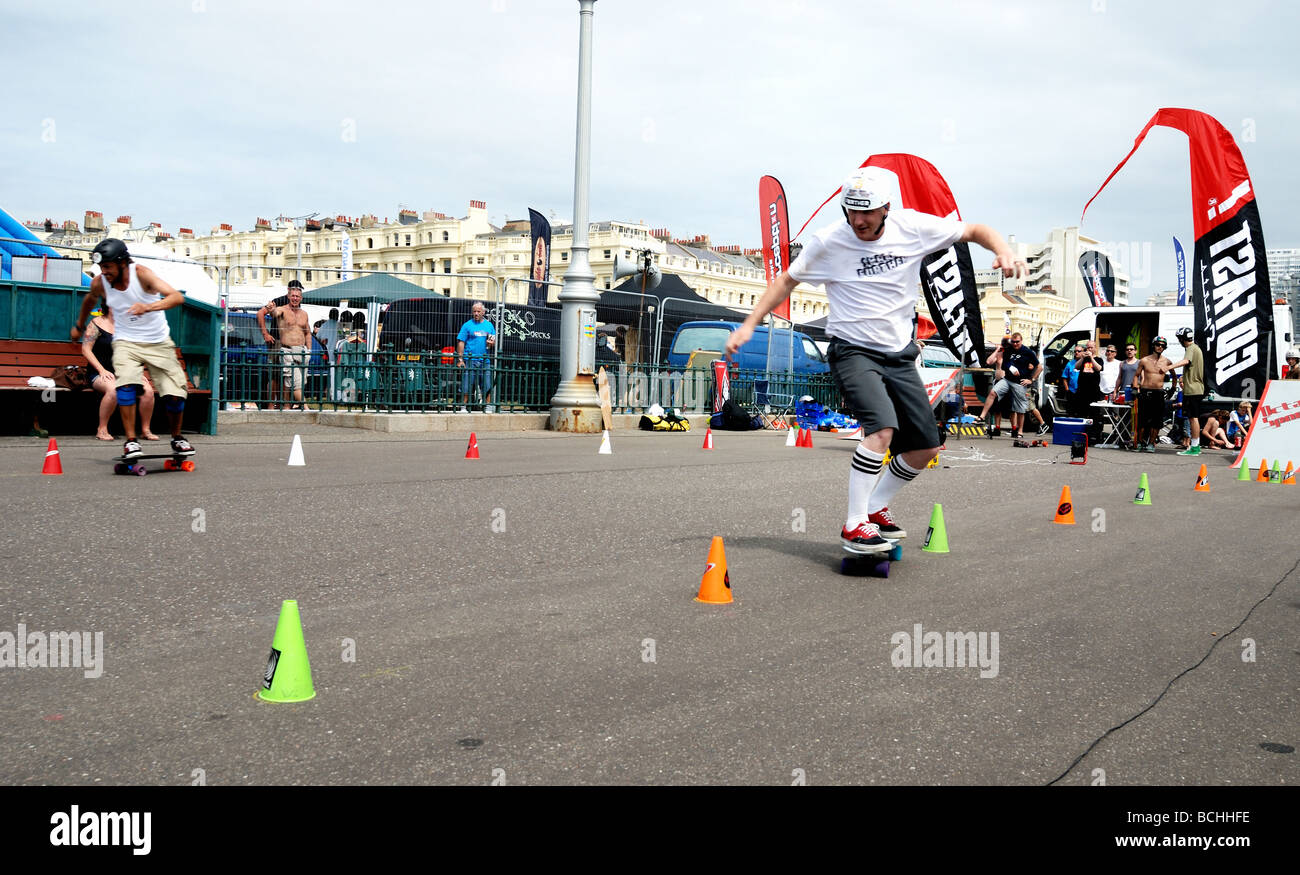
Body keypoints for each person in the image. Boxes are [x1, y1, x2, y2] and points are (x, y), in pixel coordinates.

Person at [725, 165, 1026, 555]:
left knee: (926, 447)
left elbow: (975, 230)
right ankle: (854, 525)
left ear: (886, 208)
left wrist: (1002, 251)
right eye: (851, 211)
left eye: (867, 212)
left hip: (899, 355)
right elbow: (786, 280)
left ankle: (874, 506)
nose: (859, 221)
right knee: (881, 430)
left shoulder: (914, 227)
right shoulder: (829, 241)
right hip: (852, 350)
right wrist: (749, 324)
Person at [69, 238, 194, 459]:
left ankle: (177, 437)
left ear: (122, 262)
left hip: (158, 341)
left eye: (107, 267)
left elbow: (177, 297)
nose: (103, 272)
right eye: (100, 267)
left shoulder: (141, 274)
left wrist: (148, 306)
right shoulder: (101, 282)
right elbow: (90, 300)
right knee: (125, 385)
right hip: (126, 341)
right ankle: (131, 442)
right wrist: (79, 326)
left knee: (175, 395)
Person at [81, 308, 158, 441]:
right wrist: (102, 370)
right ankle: (102, 429)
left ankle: (146, 430)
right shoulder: (96, 323)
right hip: (100, 373)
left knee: (148, 391)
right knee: (113, 389)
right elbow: (86, 349)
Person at [258, 280, 312, 410]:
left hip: (296, 348)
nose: (295, 296)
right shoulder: (279, 301)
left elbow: (306, 331)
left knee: (288, 378)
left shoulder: (300, 307)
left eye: (298, 293)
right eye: (293, 292)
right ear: (289, 291)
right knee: (275, 376)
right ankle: (272, 405)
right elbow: (262, 313)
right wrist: (265, 333)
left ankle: (286, 405)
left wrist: (308, 349)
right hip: (277, 342)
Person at [974, 332, 1038, 439]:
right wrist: (997, 350)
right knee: (997, 405)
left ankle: (1016, 429)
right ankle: (987, 420)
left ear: (1020, 341)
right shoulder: (1004, 352)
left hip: (1017, 382)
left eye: (1016, 342)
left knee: (1015, 408)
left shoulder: (1023, 352)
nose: (1014, 344)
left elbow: (1034, 366)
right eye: (1012, 342)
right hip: (1003, 380)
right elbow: (989, 361)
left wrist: (1031, 379)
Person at [1167, 327, 1206, 455]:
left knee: (1193, 418)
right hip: (1195, 388)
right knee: (1192, 418)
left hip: (1193, 390)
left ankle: (1194, 448)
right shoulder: (1196, 349)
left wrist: (1169, 367)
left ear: (1181, 338)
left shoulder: (1191, 348)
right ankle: (1195, 446)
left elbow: (1186, 361)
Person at [1132, 336, 1171, 453]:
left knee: (1156, 420)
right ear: (1153, 345)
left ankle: (1151, 443)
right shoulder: (1144, 360)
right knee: (1142, 419)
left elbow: (1174, 376)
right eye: (1158, 345)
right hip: (1145, 392)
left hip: (1158, 393)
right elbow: (1136, 375)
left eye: (1163, 346)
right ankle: (1139, 442)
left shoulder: (1167, 361)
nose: (1160, 347)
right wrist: (1135, 388)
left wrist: (1173, 389)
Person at [456, 301, 497, 413]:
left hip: (485, 360)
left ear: (483, 312)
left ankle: (487, 406)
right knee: (466, 384)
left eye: (478, 311)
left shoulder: (489, 325)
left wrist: (490, 343)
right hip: (470, 360)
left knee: (487, 384)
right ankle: (463, 407)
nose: (476, 313)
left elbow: (491, 342)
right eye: (474, 311)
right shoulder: (467, 325)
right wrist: (460, 359)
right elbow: (461, 342)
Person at [315, 307, 340, 401]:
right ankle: (333, 396)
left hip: (326, 354)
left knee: (326, 377)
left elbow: (318, 338)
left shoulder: (324, 325)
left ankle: (326, 395)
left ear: (329, 315)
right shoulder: (339, 325)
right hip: (337, 354)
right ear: (337, 316)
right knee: (334, 377)